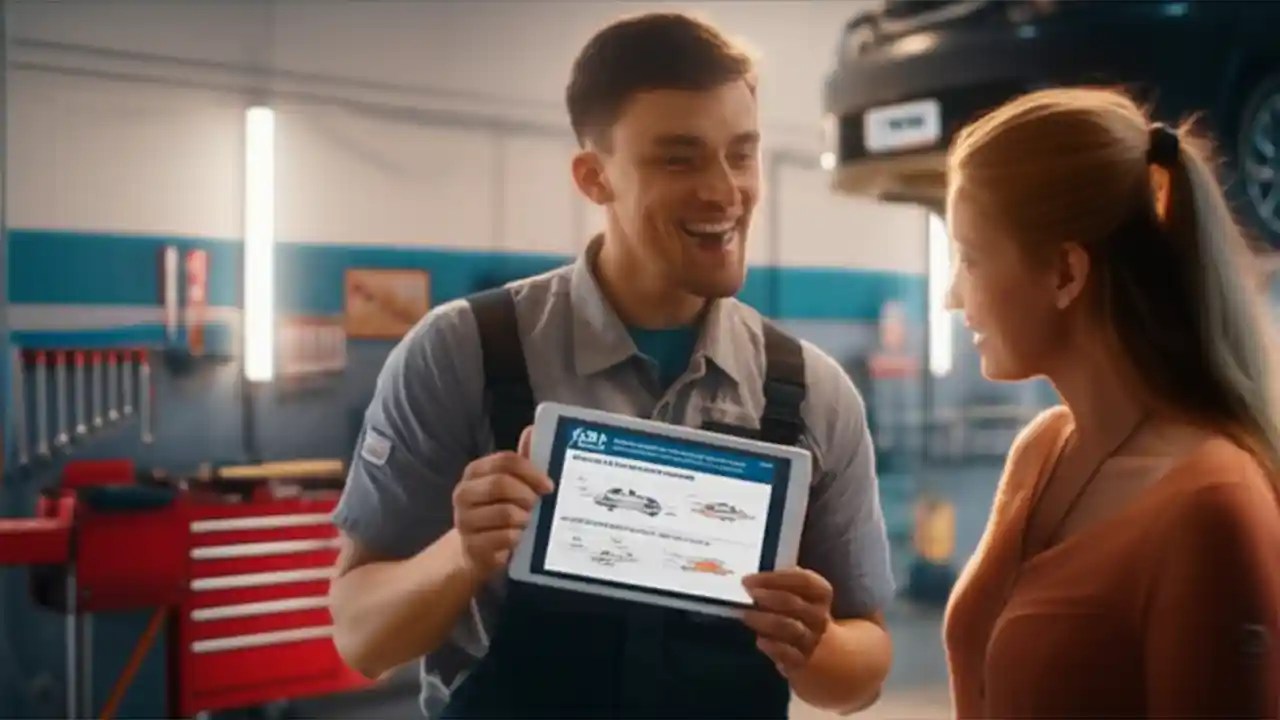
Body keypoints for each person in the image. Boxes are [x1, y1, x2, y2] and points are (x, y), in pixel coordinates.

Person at [327, 12, 895, 719]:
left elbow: (862, 670)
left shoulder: (810, 392)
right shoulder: (463, 353)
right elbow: (361, 637)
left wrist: (816, 643)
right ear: (595, 177)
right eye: (679, 158)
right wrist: (463, 554)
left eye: (741, 154)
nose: (725, 191)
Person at [942, 86, 1280, 718]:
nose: (952, 298)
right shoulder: (1043, 451)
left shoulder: (1212, 507)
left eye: (970, 259)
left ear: (1066, 273)